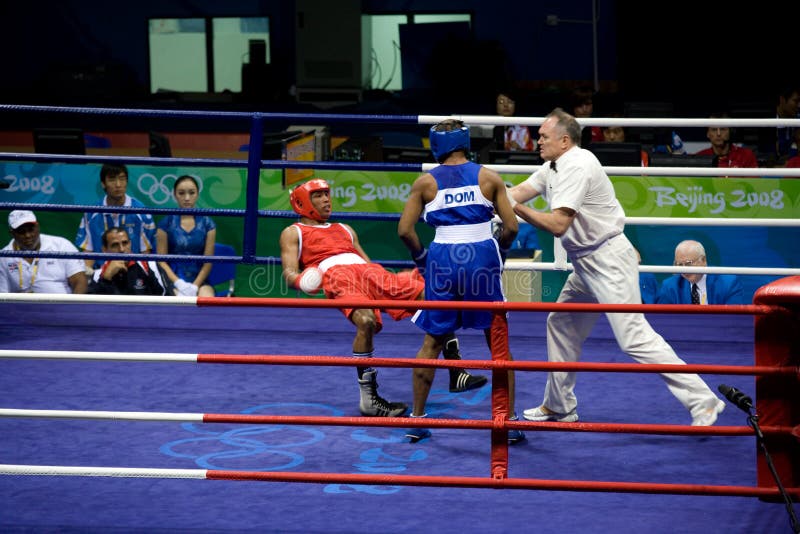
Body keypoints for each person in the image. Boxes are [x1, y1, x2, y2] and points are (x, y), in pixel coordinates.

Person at [508, 108, 726, 426]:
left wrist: (512, 207)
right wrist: (485, 193)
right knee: (561, 322)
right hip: (584, 263)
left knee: (634, 338)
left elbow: (557, 224)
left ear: (564, 140)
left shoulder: (579, 165)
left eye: (543, 136)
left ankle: (703, 400)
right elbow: (516, 193)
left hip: (608, 260)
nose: (537, 140)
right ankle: (559, 405)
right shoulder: (552, 166)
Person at [279, 178, 487, 418]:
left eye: (327, 194)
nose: (326, 199)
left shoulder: (345, 228)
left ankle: (456, 371)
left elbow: (365, 263)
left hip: (370, 273)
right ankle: (369, 399)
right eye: (318, 195)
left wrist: (380, 284)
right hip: (339, 279)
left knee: (435, 294)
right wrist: (301, 280)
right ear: (302, 201)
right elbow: (289, 273)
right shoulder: (293, 232)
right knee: (365, 321)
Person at [398, 119, 525, 444]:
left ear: (436, 144)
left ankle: (416, 419)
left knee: (433, 341)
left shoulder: (424, 183)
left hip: (442, 258)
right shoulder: (489, 177)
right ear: (465, 142)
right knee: (496, 342)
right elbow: (511, 227)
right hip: (481, 255)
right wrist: (501, 251)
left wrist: (422, 260)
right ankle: (508, 423)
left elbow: (405, 231)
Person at [75, 163, 156, 273]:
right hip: (100, 273)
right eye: (112, 179)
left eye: (122, 179)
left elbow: (146, 252)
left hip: (133, 273)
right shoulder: (91, 213)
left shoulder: (141, 212)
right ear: (103, 184)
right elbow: (88, 252)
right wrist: (89, 272)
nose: (118, 184)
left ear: (127, 182)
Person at [156, 175, 216, 297]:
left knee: (207, 298)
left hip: (199, 281)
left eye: (191, 193)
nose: (187, 198)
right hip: (172, 280)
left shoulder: (208, 224)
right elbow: (161, 262)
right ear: (175, 195)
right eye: (181, 193)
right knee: (177, 302)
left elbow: (208, 262)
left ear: (197, 194)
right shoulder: (164, 224)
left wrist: (194, 286)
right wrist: (179, 283)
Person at [0, 210, 87, 294]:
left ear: (38, 227)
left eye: (31, 229)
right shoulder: (3, 257)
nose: (28, 235)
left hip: (61, 306)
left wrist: (72, 307)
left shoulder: (61, 245)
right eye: (21, 231)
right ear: (12, 233)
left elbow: (79, 280)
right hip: (20, 308)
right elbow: (2, 295)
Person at [656, 240, 745, 305]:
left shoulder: (729, 283)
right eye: (679, 265)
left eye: (688, 264)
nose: (683, 270)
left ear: (703, 260)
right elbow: (663, 320)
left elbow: (733, 320)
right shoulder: (670, 286)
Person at [88, 226, 168, 295]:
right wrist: (106, 279)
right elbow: (93, 307)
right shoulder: (97, 275)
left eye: (125, 243)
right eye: (115, 245)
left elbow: (167, 296)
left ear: (130, 244)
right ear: (104, 250)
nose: (122, 249)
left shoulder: (150, 266)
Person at [694, 113, 758, 170]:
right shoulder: (700, 157)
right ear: (708, 133)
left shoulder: (746, 155)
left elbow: (753, 182)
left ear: (730, 132)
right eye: (714, 129)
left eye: (722, 129)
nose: (718, 134)